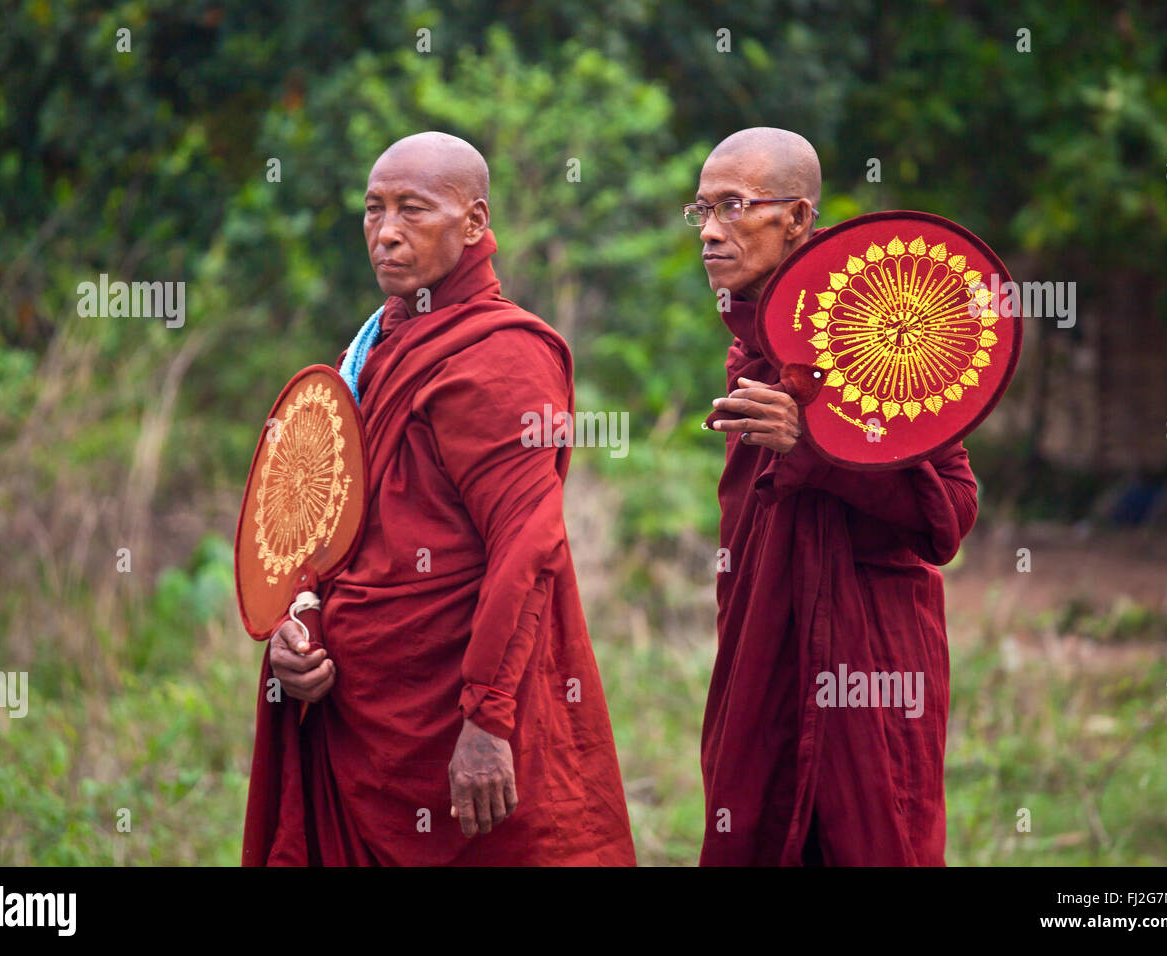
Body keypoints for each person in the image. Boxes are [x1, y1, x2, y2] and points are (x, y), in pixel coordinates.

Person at [243, 132, 636, 866]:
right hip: (357, 721)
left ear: (475, 224)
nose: (385, 233)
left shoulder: (505, 358)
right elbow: (321, 533)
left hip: (458, 724)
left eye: (413, 210)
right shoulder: (373, 349)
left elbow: (528, 548)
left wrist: (488, 720)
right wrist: (295, 626)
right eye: (373, 210)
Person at [693, 127, 978, 865]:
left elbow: (947, 517)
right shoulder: (748, 348)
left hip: (871, 659)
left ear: (796, 217)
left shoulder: (876, 330)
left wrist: (816, 444)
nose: (711, 233)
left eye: (733, 207)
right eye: (700, 212)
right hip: (764, 649)